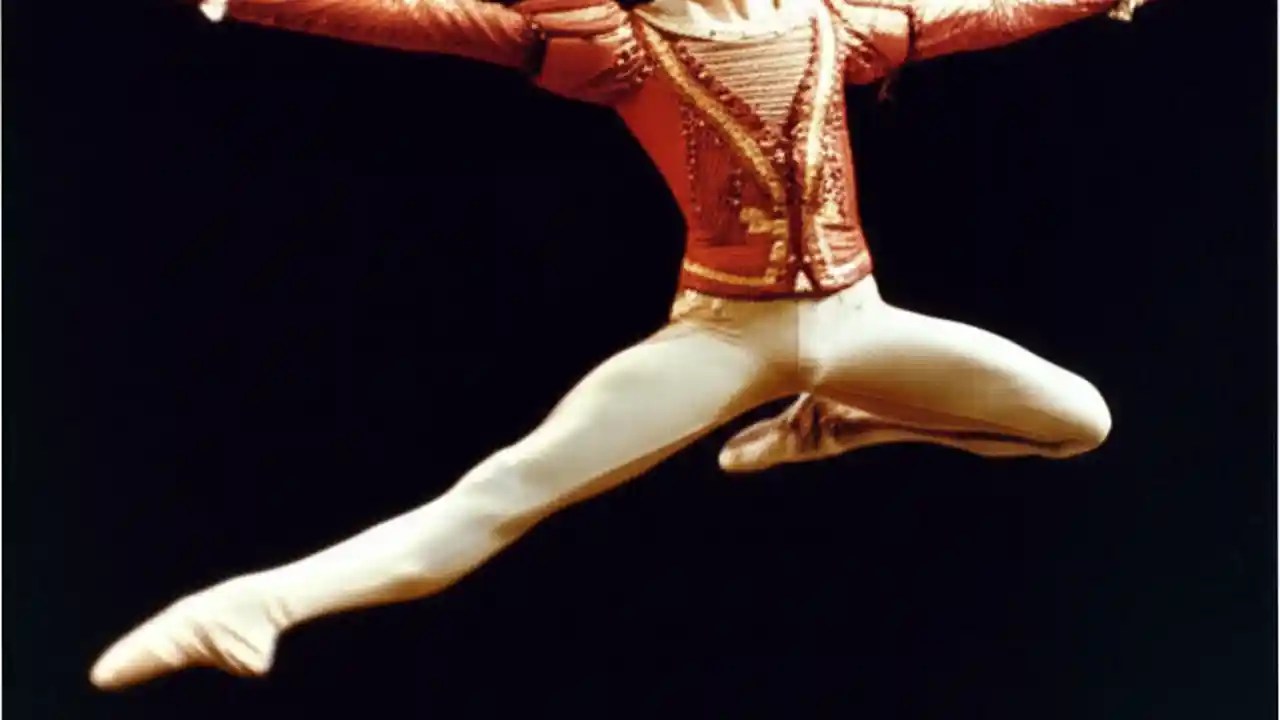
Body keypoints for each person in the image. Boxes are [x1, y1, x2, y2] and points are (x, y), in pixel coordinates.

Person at [90, 0, 1150, 690]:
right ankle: (248, 605)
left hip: (859, 324)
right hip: (723, 337)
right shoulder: (614, 45)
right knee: (499, 495)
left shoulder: (835, 23)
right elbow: (428, 21)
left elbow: (976, 15)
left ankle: (841, 431)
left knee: (1074, 422)